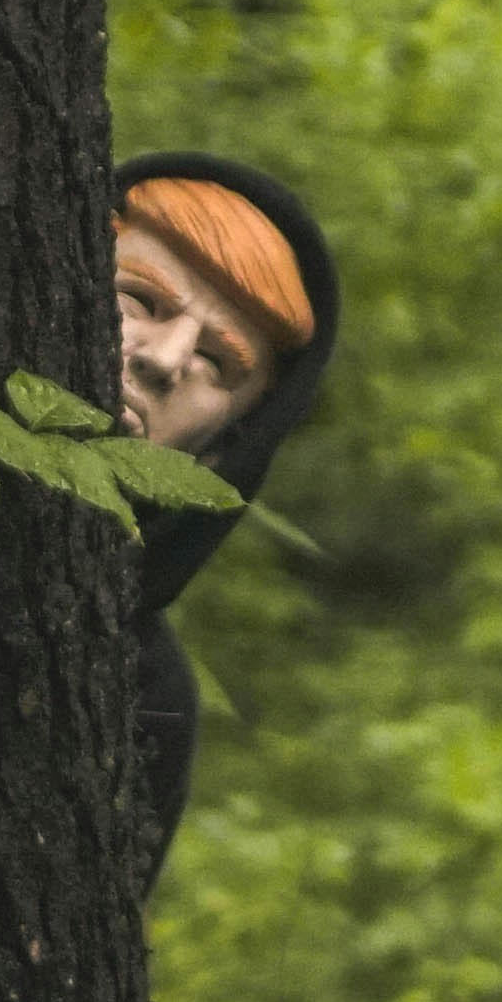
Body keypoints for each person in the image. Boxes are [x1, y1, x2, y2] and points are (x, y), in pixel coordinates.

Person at [111, 153, 336, 891]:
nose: (166, 359)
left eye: (218, 361)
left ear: (222, 451)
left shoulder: (145, 697)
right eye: (140, 301)